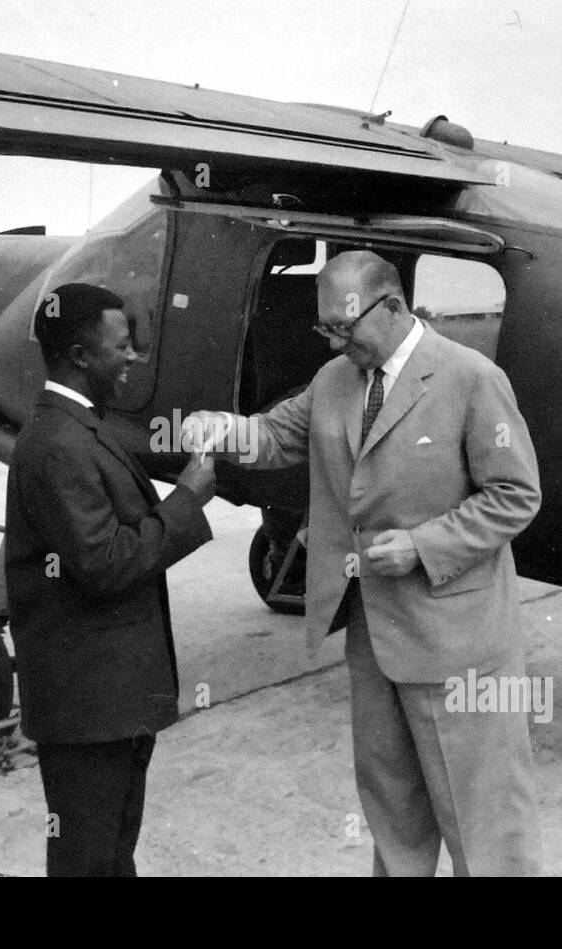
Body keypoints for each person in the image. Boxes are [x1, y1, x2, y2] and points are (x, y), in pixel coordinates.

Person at [183, 250, 542, 875]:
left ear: (395, 307)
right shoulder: (334, 382)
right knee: (393, 811)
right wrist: (228, 430)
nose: (336, 341)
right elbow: (276, 436)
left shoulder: (470, 378)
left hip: (456, 643)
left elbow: (516, 495)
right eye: (327, 329)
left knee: (483, 821)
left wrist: (425, 546)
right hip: (373, 634)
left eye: (345, 328)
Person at [6, 282, 215, 876]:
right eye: (120, 346)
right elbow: (103, 565)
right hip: (86, 712)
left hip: (109, 705)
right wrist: (186, 503)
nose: (132, 358)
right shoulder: (56, 444)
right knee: (86, 860)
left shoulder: (81, 428)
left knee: (110, 854)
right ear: (78, 356)